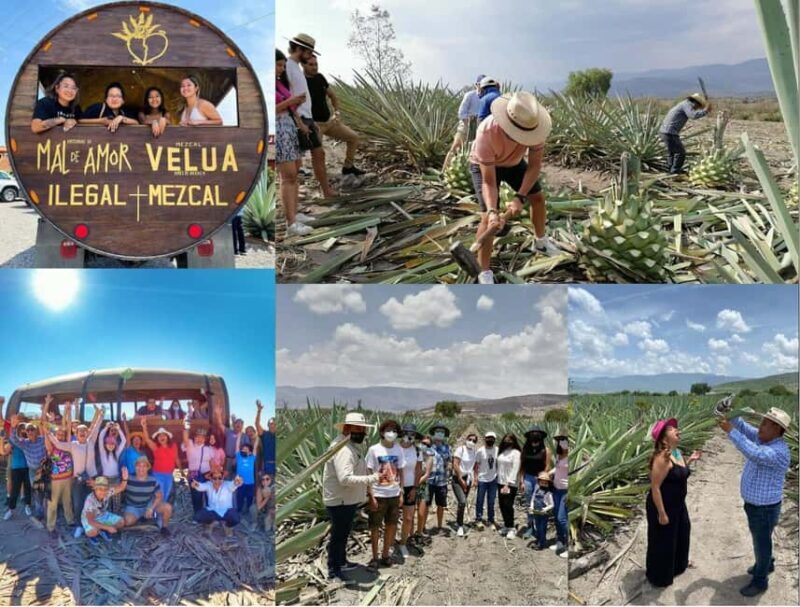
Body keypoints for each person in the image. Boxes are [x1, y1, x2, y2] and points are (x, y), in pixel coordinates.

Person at [469, 91, 558, 284]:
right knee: (487, 219)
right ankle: (483, 273)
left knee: (538, 198)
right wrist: (493, 211)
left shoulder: (535, 128)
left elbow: (534, 167)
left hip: (514, 163)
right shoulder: (486, 132)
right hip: (485, 166)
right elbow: (489, 182)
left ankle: (540, 242)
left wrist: (520, 197)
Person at [719, 408, 792, 596]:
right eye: (763, 421)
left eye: (766, 423)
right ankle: (767, 564)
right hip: (758, 507)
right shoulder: (764, 438)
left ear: (777, 429)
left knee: (761, 543)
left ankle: (760, 582)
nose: (761, 426)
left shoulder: (778, 451)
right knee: (762, 539)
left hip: (764, 509)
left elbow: (754, 453)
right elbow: (744, 427)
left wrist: (730, 431)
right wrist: (730, 413)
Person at [321, 412, 379, 580]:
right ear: (347, 428)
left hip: (345, 499)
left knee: (343, 533)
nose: (362, 432)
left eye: (363, 429)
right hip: (340, 500)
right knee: (338, 535)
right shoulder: (343, 449)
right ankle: (334, 569)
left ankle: (342, 561)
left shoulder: (347, 445)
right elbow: (345, 478)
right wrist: (372, 478)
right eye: (358, 429)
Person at [645, 418, 701, 588]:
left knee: (682, 532)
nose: (678, 430)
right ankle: (659, 576)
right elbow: (655, 487)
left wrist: (690, 460)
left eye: (676, 428)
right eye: (671, 429)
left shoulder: (677, 453)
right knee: (663, 541)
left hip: (678, 505)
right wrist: (662, 513)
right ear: (663, 439)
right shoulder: (662, 458)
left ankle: (678, 567)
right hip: (663, 505)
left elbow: (679, 473)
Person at [286, 34, 336, 199]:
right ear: (301, 49)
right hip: (298, 118)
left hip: (306, 118)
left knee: (318, 153)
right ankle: (295, 201)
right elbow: (286, 95)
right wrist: (298, 120)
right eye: (309, 52)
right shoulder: (287, 66)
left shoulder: (295, 67)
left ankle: (325, 190)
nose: (310, 55)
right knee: (296, 162)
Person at [302, 55, 365, 176]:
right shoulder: (300, 82)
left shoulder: (320, 78)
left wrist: (337, 113)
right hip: (314, 125)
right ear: (303, 65)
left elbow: (333, 96)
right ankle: (321, 179)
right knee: (318, 154)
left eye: (316, 64)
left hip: (329, 122)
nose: (315, 67)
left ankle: (348, 167)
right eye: (311, 65)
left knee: (354, 137)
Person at [47, 402, 103, 535]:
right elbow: (57, 443)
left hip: (92, 478)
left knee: (93, 503)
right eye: (80, 431)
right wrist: (48, 430)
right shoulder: (72, 445)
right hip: (77, 478)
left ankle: (93, 524)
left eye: (84, 430)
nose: (82, 432)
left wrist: (101, 412)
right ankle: (79, 525)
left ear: (87, 432)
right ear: (76, 433)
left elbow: (97, 425)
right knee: (78, 503)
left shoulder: (91, 441)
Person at [275, 49, 313, 237]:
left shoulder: (279, 83)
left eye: (282, 65)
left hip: (289, 125)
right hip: (279, 127)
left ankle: (295, 214)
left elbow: (290, 107)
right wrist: (292, 100)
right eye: (278, 65)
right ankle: (291, 223)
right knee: (288, 175)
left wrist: (300, 124)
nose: (281, 69)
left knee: (294, 172)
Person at [366, 420, 404, 568]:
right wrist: (371, 495)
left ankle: (386, 555)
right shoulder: (373, 450)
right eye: (389, 430)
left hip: (394, 494)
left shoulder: (398, 450)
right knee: (375, 526)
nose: (392, 433)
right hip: (379, 494)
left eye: (394, 431)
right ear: (381, 432)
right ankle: (374, 557)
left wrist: (401, 492)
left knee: (391, 525)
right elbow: (369, 472)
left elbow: (400, 471)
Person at [8, 410, 48, 520]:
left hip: (43, 469)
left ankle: (46, 510)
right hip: (32, 470)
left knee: (45, 491)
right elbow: (14, 439)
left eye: (32, 429)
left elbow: (49, 435)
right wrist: (13, 427)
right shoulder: (24, 443)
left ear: (36, 431)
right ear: (26, 432)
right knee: (36, 491)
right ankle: (40, 512)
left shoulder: (42, 440)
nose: (30, 431)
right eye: (28, 430)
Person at [659, 93, 711, 174]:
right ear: (696, 102)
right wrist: (705, 111)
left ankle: (670, 169)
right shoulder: (687, 105)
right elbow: (693, 115)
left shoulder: (683, 104)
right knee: (680, 153)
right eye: (698, 106)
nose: (697, 108)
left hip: (664, 131)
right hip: (670, 131)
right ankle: (675, 171)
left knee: (672, 152)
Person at [43, 411, 75, 538]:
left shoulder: (67, 445)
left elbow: (68, 426)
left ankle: (70, 521)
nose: (61, 435)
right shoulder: (52, 447)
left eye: (62, 434)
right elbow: (47, 433)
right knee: (53, 504)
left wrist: (68, 410)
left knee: (67, 501)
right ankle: (51, 527)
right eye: (59, 434)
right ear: (55, 435)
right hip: (55, 480)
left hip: (68, 478)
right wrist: (49, 426)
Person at [121, 456, 172, 536]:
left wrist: (151, 508)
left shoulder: (152, 480)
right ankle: (141, 518)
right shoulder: (128, 478)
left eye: (144, 466)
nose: (141, 468)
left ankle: (164, 528)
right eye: (139, 465)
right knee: (128, 521)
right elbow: (120, 489)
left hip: (147, 506)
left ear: (148, 468)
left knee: (167, 507)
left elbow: (159, 496)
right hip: (133, 507)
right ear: (135, 467)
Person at [442, 74, 485, 170]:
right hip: (465, 126)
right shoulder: (470, 95)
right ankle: (444, 171)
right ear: (476, 84)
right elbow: (461, 112)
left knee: (474, 153)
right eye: (480, 84)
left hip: (479, 129)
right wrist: (469, 123)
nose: (482, 86)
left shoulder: (486, 98)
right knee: (455, 147)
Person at [519, 425, 551, 540]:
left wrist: (542, 478)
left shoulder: (546, 450)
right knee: (529, 503)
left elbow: (547, 466)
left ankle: (539, 528)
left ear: (541, 436)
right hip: (528, 478)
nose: (535, 435)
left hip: (540, 479)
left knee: (539, 503)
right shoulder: (525, 449)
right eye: (533, 433)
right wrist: (521, 481)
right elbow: (522, 466)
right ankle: (530, 526)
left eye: (537, 433)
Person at [1, 408, 32, 520]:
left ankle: (27, 506)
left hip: (27, 467)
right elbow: (4, 451)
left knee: (28, 488)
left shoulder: (29, 440)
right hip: (16, 468)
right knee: (15, 490)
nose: (23, 430)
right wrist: (2, 440)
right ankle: (11, 509)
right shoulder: (14, 440)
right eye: (21, 427)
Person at [81, 472, 128, 545]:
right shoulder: (90, 500)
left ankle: (102, 530)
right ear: (94, 488)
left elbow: (121, 487)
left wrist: (125, 479)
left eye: (105, 489)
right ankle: (97, 532)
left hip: (102, 515)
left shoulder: (108, 492)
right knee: (93, 532)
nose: (102, 491)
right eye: (99, 489)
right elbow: (90, 521)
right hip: (90, 519)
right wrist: (108, 528)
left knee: (121, 522)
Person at [191, 471, 243, 536]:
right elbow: (201, 486)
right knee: (198, 516)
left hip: (226, 512)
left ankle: (228, 526)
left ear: (223, 478)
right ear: (211, 479)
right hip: (213, 511)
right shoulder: (208, 484)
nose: (217, 480)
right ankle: (211, 523)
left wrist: (237, 482)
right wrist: (196, 485)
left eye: (220, 478)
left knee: (236, 518)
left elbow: (234, 484)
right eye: (215, 478)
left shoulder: (227, 484)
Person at [397, 423, 421, 559]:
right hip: (394, 488)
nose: (409, 437)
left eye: (412, 434)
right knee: (393, 517)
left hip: (410, 486)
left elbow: (418, 470)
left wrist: (414, 488)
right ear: (402, 434)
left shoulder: (416, 450)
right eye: (407, 433)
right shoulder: (394, 448)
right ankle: (389, 544)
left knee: (408, 518)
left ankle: (403, 543)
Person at [140, 417, 179, 502]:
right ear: (157, 439)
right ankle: (156, 514)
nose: (161, 437)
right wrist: (144, 426)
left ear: (167, 437)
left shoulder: (173, 446)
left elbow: (176, 458)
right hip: (158, 475)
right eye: (159, 436)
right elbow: (147, 439)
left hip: (169, 475)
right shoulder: (155, 447)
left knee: (166, 495)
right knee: (159, 495)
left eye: (163, 435)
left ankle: (161, 513)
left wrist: (182, 471)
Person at [181, 423, 214, 512]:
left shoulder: (209, 449)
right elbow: (185, 437)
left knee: (208, 495)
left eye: (202, 437)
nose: (199, 439)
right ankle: (198, 515)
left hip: (207, 474)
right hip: (194, 474)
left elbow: (212, 463)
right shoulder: (190, 445)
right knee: (196, 496)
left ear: (204, 439)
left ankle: (209, 515)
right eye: (197, 437)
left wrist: (212, 475)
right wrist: (186, 427)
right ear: (194, 437)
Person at [425, 422, 451, 534]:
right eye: (438, 431)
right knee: (426, 504)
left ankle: (440, 526)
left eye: (442, 432)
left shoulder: (447, 447)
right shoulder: (428, 447)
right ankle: (423, 526)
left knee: (441, 505)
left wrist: (449, 467)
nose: (440, 433)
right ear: (434, 433)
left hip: (442, 481)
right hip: (428, 480)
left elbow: (449, 461)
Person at [452, 432, 478, 537]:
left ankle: (460, 521)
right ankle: (460, 525)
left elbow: (475, 466)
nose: (471, 442)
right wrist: (460, 478)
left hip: (468, 478)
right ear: (466, 439)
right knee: (462, 501)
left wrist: (475, 479)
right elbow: (455, 464)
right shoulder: (460, 449)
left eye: (474, 440)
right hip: (458, 478)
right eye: (470, 439)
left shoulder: (475, 452)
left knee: (462, 502)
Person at [496, 432, 521, 538]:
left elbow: (515, 469)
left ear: (514, 441)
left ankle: (511, 528)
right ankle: (506, 525)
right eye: (506, 439)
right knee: (501, 505)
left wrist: (508, 483)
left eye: (510, 439)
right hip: (500, 482)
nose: (507, 441)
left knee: (508, 505)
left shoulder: (516, 453)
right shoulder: (502, 452)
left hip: (510, 483)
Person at [550, 428, 569, 557]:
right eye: (558, 441)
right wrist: (547, 474)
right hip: (556, 489)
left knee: (562, 519)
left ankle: (569, 546)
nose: (560, 443)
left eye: (562, 440)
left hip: (565, 491)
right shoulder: (559, 455)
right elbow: (556, 469)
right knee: (557, 516)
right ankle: (560, 541)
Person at [474, 431, 498, 531]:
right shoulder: (480, 451)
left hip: (493, 479)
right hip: (482, 479)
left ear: (495, 440)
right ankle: (478, 519)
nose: (490, 440)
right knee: (480, 500)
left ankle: (491, 520)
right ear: (485, 439)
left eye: (492, 438)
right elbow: (476, 465)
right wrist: (475, 478)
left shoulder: (497, 450)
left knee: (491, 501)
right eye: (488, 438)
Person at [218, 410, 252, 477]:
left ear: (242, 426)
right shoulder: (228, 432)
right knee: (226, 477)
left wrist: (237, 457)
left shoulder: (245, 436)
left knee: (238, 478)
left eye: (240, 423)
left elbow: (247, 450)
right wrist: (218, 414)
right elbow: (220, 425)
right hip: (228, 460)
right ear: (234, 425)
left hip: (240, 460)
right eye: (237, 423)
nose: (238, 424)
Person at [414, 435, 434, 543]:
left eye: (427, 444)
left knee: (421, 513)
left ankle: (419, 532)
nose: (424, 445)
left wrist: (416, 483)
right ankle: (411, 534)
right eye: (423, 443)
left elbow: (427, 474)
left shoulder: (429, 458)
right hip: (411, 486)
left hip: (422, 486)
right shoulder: (413, 454)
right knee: (411, 513)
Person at [530, 471, 554, 550]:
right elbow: (533, 499)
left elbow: (552, 504)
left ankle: (541, 543)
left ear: (548, 484)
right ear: (539, 482)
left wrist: (546, 509)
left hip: (544, 513)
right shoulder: (536, 490)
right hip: (536, 512)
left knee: (542, 527)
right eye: (542, 482)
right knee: (537, 526)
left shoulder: (548, 493)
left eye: (545, 483)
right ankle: (539, 539)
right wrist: (531, 506)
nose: (543, 484)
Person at [255, 400, 276, 475]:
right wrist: (259, 411)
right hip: (267, 464)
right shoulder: (265, 434)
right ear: (268, 425)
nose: (273, 425)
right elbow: (257, 424)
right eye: (271, 424)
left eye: (275, 424)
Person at [236, 443, 256, 515]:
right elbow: (237, 446)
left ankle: (248, 509)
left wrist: (257, 437)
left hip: (250, 482)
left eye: (246, 449)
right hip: (240, 482)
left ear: (250, 452)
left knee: (249, 497)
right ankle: (239, 510)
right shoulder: (239, 457)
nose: (244, 450)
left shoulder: (252, 458)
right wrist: (240, 434)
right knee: (240, 496)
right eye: (243, 449)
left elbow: (255, 447)